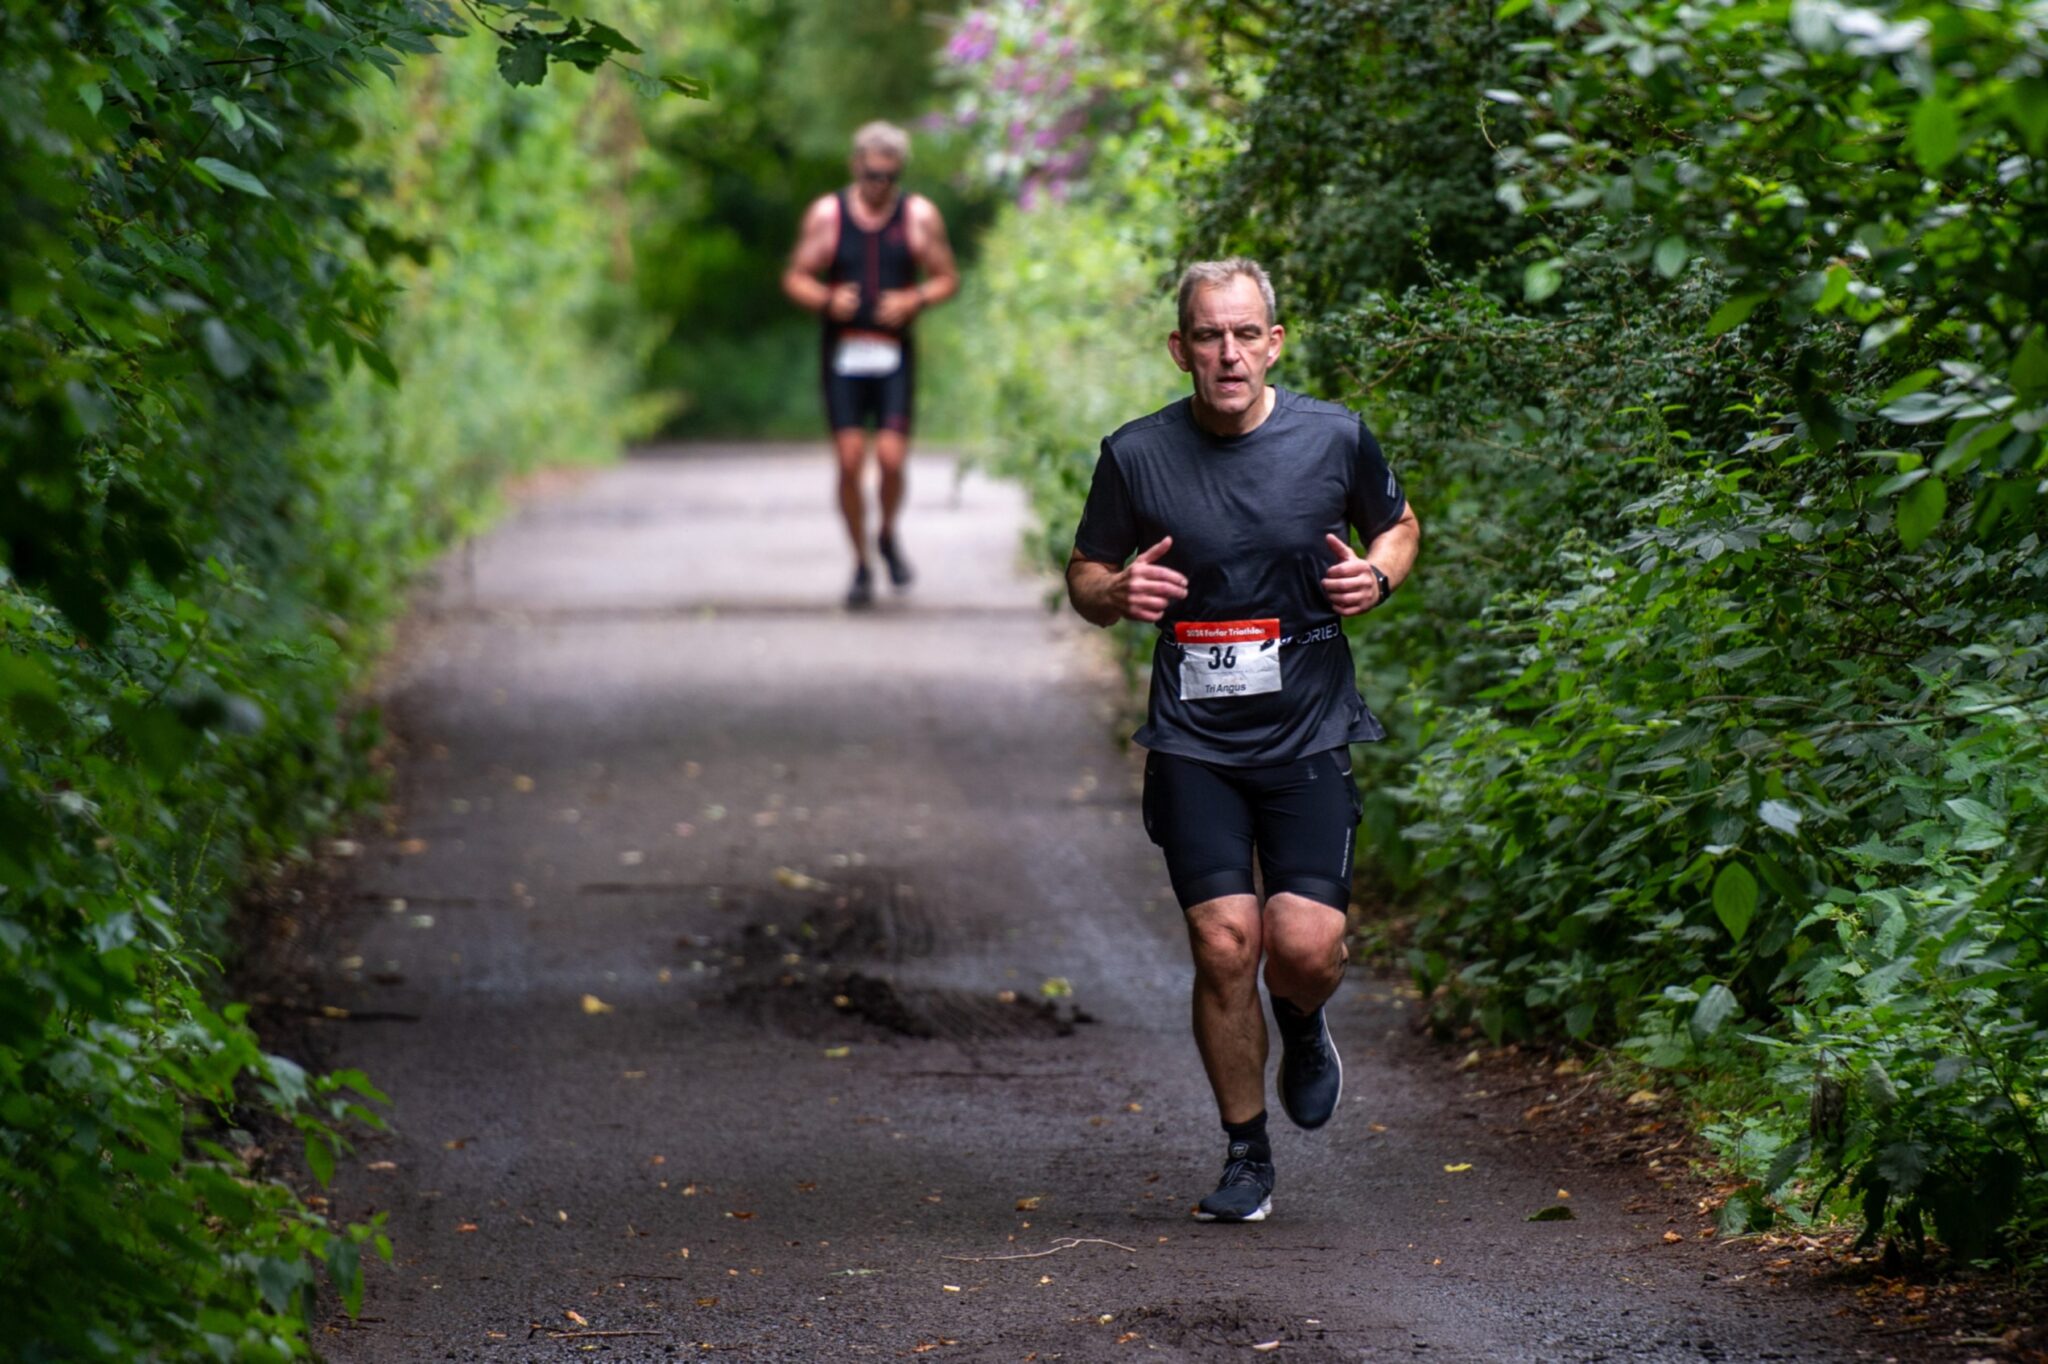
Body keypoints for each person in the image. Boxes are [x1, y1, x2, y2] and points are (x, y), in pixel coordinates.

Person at [1065, 258, 1421, 1222]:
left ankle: (1301, 1022)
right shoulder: (1137, 455)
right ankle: (1246, 1155)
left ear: (1275, 340)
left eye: (1245, 333)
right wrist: (1114, 592)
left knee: (1301, 949)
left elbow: (1398, 526)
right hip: (1194, 741)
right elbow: (1088, 572)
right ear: (1181, 348)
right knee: (1225, 943)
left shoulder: (1333, 436)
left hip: (1306, 731)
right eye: (1209, 336)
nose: (1229, 353)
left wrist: (1377, 579)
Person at [782, 120, 960, 608]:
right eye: (871, 175)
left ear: (899, 172)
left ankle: (886, 532)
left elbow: (947, 277)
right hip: (843, 353)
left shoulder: (919, 216)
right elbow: (796, 276)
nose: (879, 185)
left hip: (893, 354)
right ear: (855, 166)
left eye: (889, 176)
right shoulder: (828, 215)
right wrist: (825, 298)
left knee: (890, 458)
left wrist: (914, 299)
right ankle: (861, 561)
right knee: (848, 460)